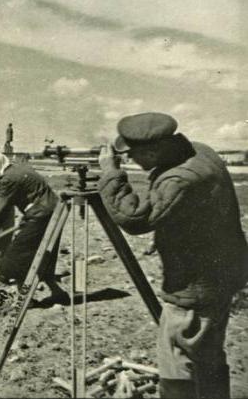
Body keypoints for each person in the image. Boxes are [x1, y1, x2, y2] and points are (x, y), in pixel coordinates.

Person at [98, 112, 248, 399]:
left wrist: (110, 173)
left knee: (178, 359)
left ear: (153, 150)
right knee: (206, 353)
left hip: (197, 286)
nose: (131, 162)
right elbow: (190, 212)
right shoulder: (199, 152)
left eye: (133, 156)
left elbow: (133, 218)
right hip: (224, 272)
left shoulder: (179, 179)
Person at [0, 151, 68, 301]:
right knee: (45, 254)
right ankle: (57, 292)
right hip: (51, 212)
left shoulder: (9, 178)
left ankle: (24, 300)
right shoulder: (17, 170)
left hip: (41, 215)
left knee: (16, 257)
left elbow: (0, 211)